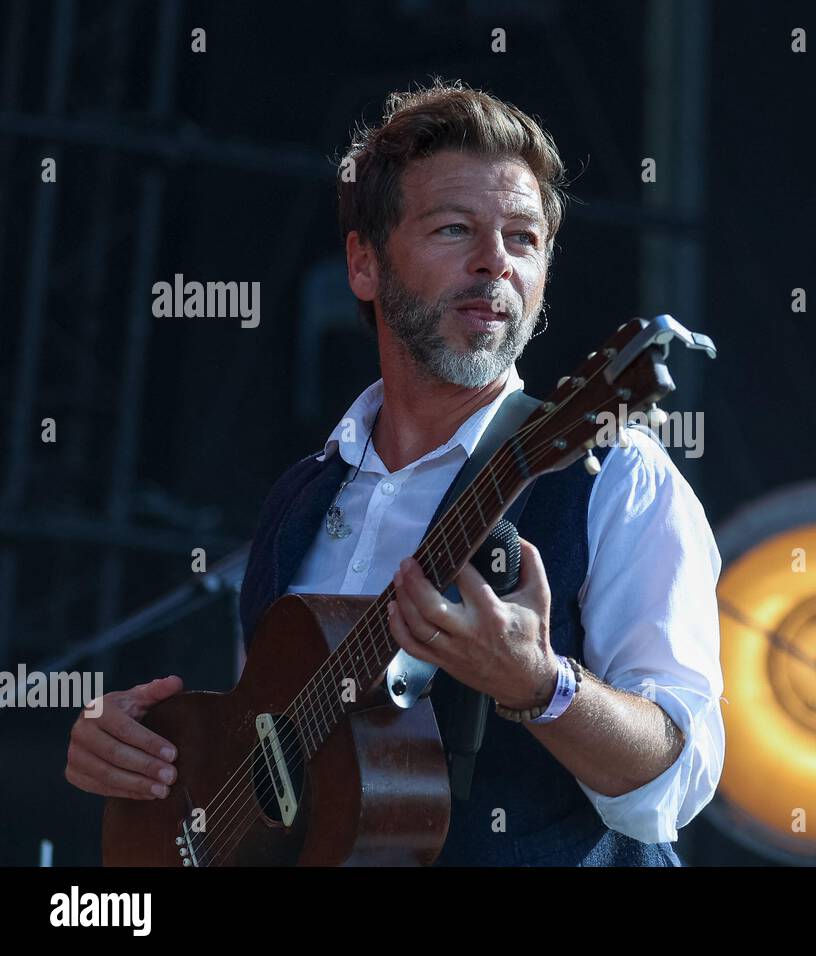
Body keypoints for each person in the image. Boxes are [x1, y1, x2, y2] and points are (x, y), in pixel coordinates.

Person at [65, 78, 725, 867]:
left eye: (523, 238)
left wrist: (541, 685)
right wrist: (143, 756)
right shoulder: (305, 496)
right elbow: (267, 775)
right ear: (364, 262)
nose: (494, 264)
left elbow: (675, 784)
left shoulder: (614, 475)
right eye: (455, 230)